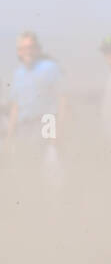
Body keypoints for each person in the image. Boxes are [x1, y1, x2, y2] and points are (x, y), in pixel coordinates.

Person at [6, 31, 65, 181]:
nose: (28, 52)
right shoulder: (17, 74)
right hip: (23, 128)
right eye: (24, 48)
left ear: (38, 49)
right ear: (19, 52)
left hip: (45, 123)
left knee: (48, 170)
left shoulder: (50, 67)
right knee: (26, 171)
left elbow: (61, 99)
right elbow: (15, 106)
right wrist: (9, 135)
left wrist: (54, 139)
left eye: (31, 47)